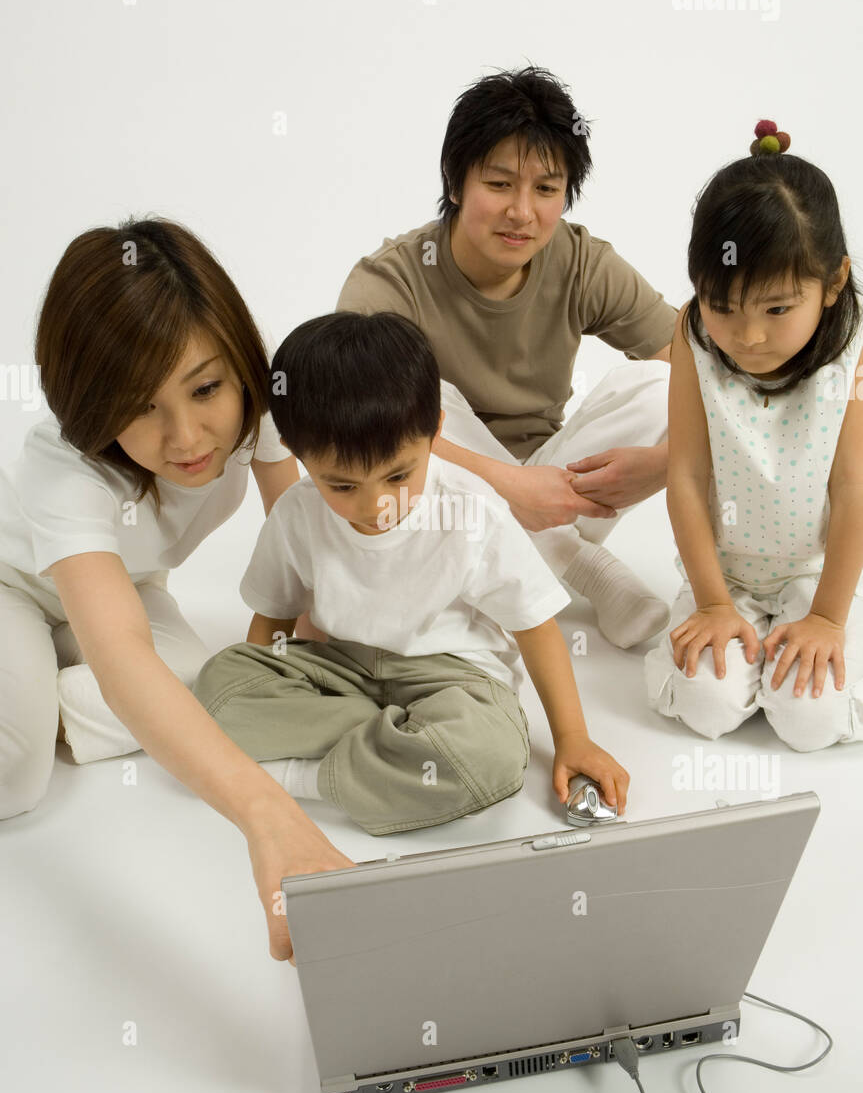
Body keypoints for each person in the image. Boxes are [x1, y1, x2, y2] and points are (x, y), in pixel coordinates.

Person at [0, 217, 352, 961]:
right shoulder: (62, 470)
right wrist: (267, 813)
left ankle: (59, 692)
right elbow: (123, 648)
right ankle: (40, 704)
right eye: (141, 406)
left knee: (204, 688)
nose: (188, 438)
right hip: (13, 583)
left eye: (205, 389)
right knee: (17, 775)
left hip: (120, 587)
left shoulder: (254, 414)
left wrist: (315, 627)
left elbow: (294, 529)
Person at [192, 311, 630, 835]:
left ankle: (307, 778)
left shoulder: (471, 512)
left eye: (398, 475)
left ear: (434, 432)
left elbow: (535, 630)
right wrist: (267, 685)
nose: (376, 504)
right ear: (296, 452)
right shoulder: (297, 512)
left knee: (488, 755)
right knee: (217, 687)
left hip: (454, 682)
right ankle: (391, 750)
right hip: (345, 671)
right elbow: (272, 621)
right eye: (343, 486)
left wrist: (572, 738)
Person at [336, 65, 677, 649]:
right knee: (415, 399)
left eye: (545, 189)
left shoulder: (580, 261)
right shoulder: (390, 279)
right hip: (437, 506)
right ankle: (581, 568)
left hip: (560, 484)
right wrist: (511, 488)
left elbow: (700, 369)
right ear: (455, 182)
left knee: (664, 385)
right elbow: (353, 426)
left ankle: (514, 576)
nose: (523, 211)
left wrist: (664, 463)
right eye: (499, 184)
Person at [645, 121, 863, 750]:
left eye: (776, 309)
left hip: (819, 572)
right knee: (708, 707)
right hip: (727, 572)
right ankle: (743, 655)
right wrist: (713, 603)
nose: (748, 336)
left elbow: (852, 488)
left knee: (810, 723)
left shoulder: (853, 349)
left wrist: (825, 617)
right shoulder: (693, 335)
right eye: (723, 305)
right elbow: (686, 475)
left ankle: (792, 656)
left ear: (834, 282)